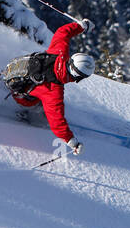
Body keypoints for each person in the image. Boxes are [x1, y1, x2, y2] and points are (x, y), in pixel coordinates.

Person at [13, 19, 96, 153]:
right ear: (78, 76)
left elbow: (62, 32)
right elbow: (57, 122)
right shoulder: (53, 90)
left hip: (18, 70)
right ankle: (24, 114)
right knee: (43, 111)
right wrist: (72, 142)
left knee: (42, 98)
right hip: (20, 96)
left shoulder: (59, 52)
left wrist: (82, 26)